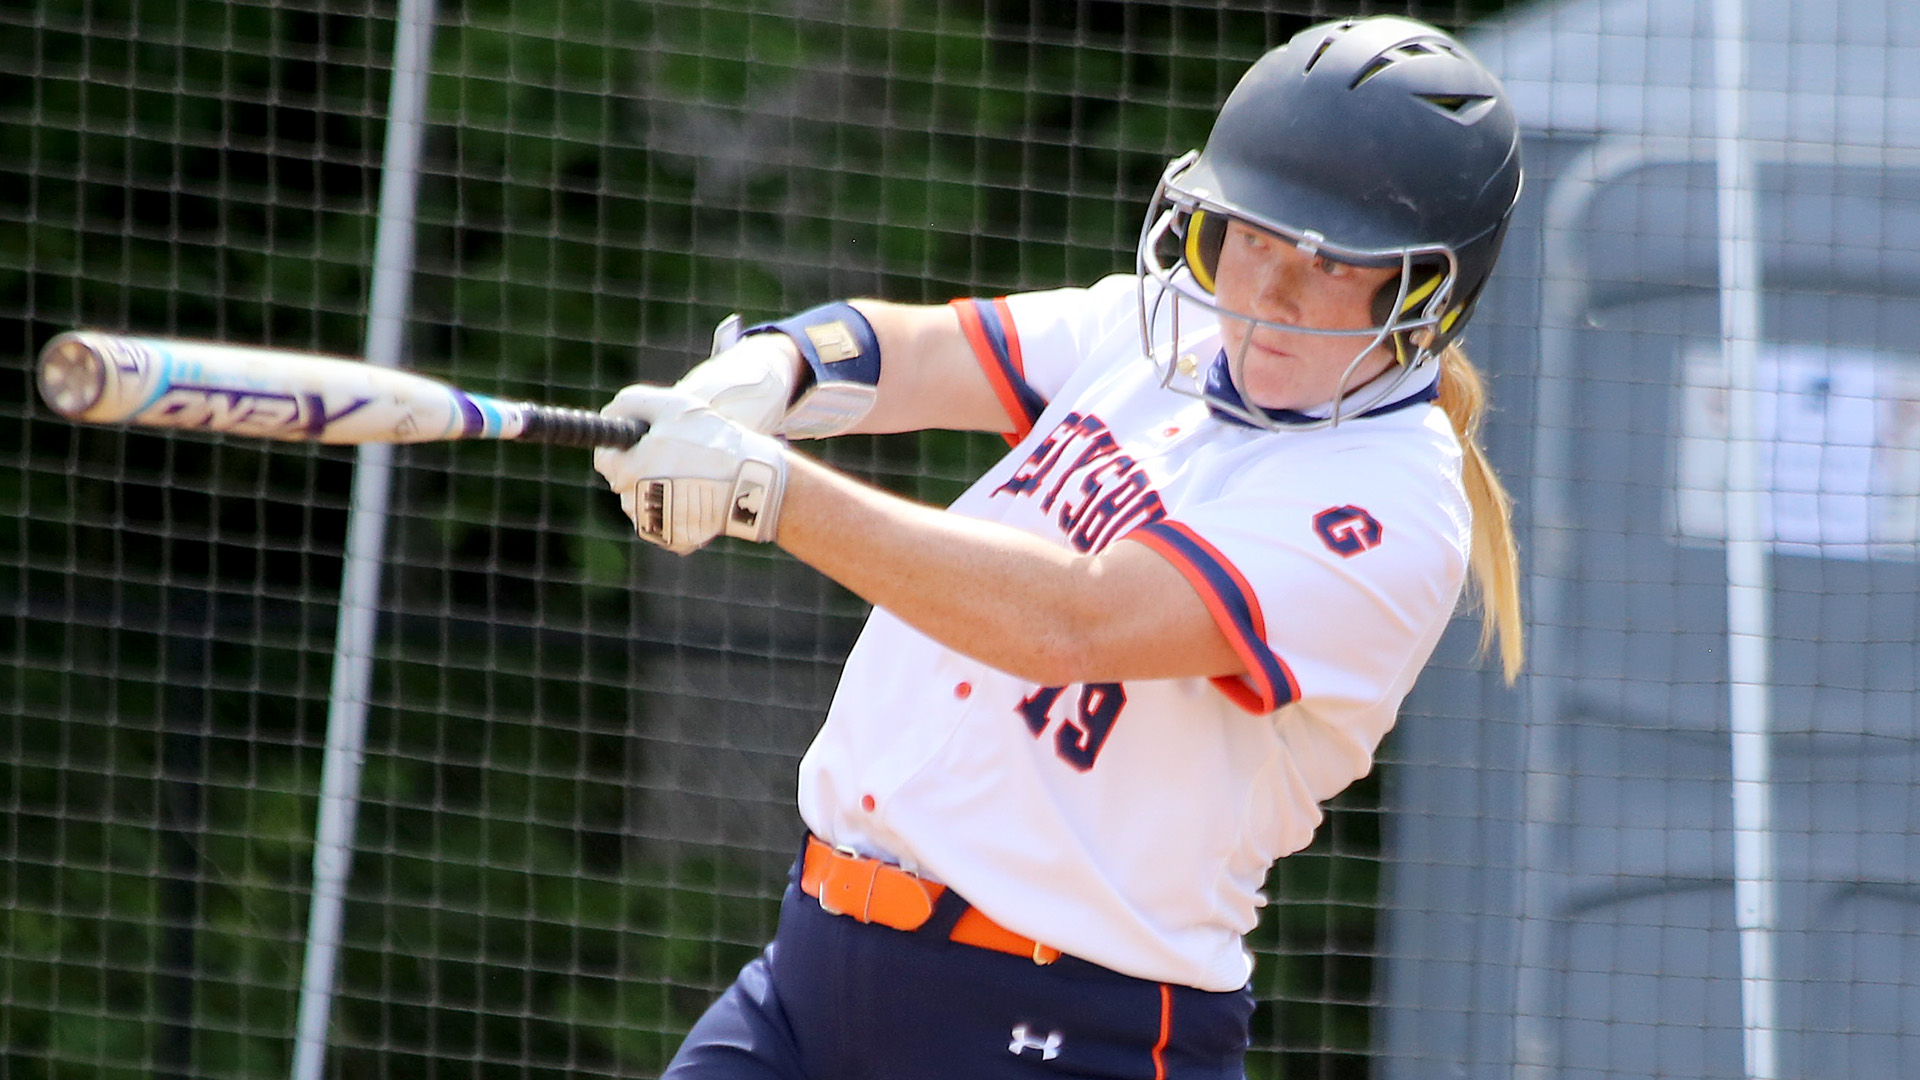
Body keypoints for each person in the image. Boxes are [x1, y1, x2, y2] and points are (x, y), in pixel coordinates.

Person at [593, 14, 1524, 1079]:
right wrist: (774, 371)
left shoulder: (1391, 504)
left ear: (1423, 292)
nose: (1263, 293)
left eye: (1320, 260)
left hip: (1059, 1028)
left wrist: (769, 492)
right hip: (808, 978)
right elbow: (925, 350)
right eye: (1246, 235)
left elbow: (1072, 620)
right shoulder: (1153, 333)